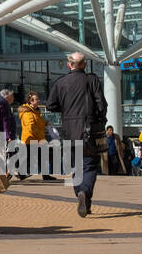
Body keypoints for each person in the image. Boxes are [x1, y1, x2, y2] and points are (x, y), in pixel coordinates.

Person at [44, 52, 107, 218]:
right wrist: (101, 119)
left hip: (70, 130)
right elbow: (101, 103)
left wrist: (66, 108)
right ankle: (84, 191)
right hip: (89, 129)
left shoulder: (61, 82)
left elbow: (50, 105)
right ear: (84, 65)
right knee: (90, 165)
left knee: (75, 165)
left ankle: (80, 192)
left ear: (69, 65)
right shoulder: (91, 80)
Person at [17, 91, 56, 180]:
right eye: (36, 99)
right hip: (30, 139)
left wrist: (45, 123)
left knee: (40, 157)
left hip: (36, 139)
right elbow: (31, 127)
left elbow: (38, 122)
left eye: (38, 99)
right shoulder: (27, 112)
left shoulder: (36, 111)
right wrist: (40, 139)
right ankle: (20, 173)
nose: (38, 101)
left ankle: (44, 175)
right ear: (30, 101)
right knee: (28, 158)